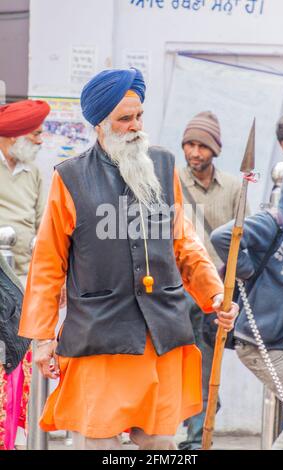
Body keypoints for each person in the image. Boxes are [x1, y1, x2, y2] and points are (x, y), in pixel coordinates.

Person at [18, 68, 238, 451]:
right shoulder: (68, 177)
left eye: (139, 116)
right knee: (99, 443)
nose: (136, 126)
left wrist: (214, 294)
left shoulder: (164, 165)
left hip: (160, 332)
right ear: (100, 124)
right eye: (125, 119)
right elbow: (48, 263)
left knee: (159, 443)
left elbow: (183, 242)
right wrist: (42, 339)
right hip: (100, 335)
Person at [211, 161, 283, 450]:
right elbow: (223, 236)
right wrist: (245, 268)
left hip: (282, 341)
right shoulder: (275, 220)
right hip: (262, 342)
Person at [178, 111, 245, 450]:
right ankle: (188, 428)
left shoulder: (234, 188)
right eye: (189, 144)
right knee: (182, 363)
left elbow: (241, 241)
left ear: (214, 149)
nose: (194, 152)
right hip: (178, 294)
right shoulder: (172, 184)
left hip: (217, 293)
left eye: (201, 145)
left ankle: (195, 437)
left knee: (208, 365)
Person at [0, 99, 50, 450]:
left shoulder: (34, 173)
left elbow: (41, 224)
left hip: (26, 284)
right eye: (35, 134)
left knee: (24, 366)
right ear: (13, 137)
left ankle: (15, 438)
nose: (41, 140)